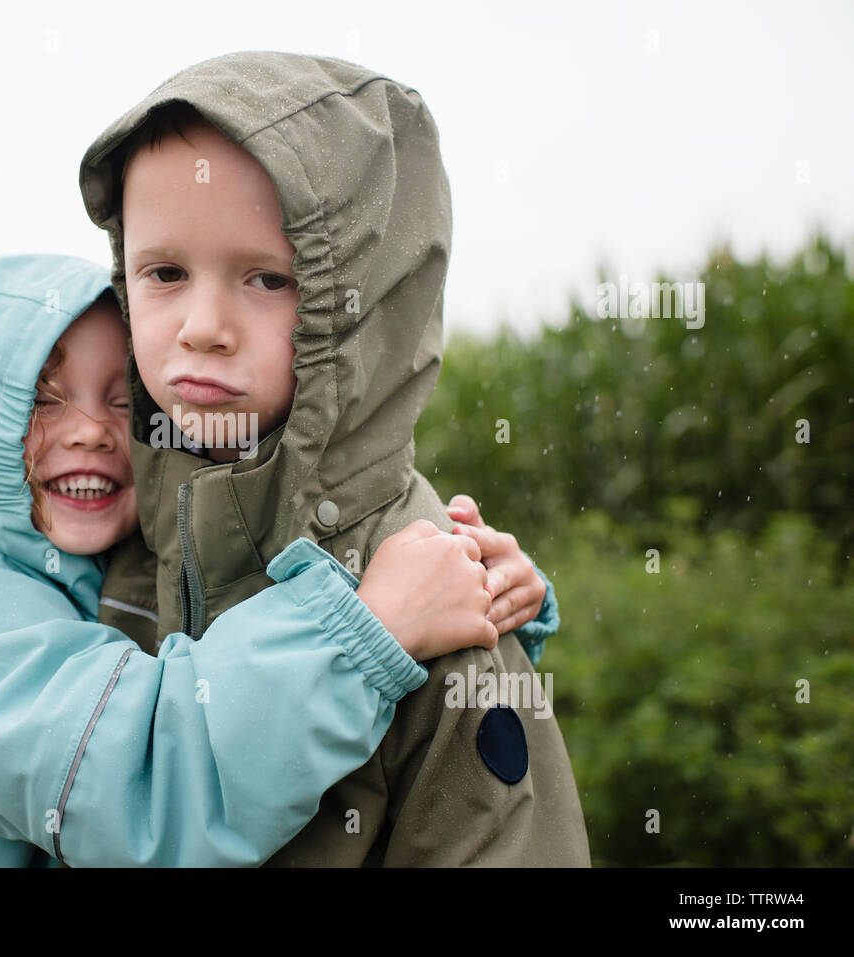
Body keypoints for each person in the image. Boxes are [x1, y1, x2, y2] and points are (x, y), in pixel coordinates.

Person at [0, 252, 545, 867]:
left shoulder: (105, 564)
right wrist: (368, 629)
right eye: (43, 399)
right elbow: (148, 782)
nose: (92, 432)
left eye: (122, 401)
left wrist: (473, 583)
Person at [78, 51, 591, 865]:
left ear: (367, 300)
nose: (202, 325)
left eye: (268, 279)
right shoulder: (104, 538)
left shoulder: (443, 606)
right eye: (166, 271)